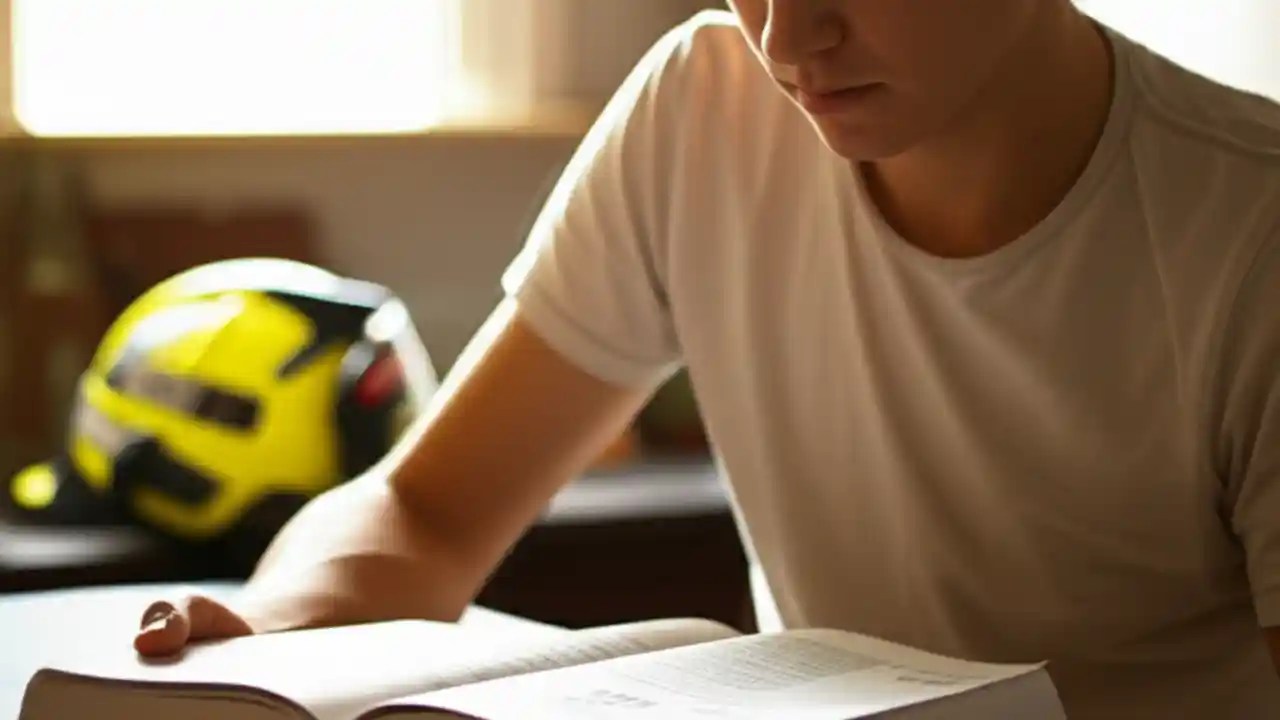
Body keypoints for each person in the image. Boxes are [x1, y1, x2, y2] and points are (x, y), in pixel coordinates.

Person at [129, 1, 1280, 717]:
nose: (788, 37)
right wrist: (268, 655)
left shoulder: (1248, 225)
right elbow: (428, 509)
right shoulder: (704, 108)